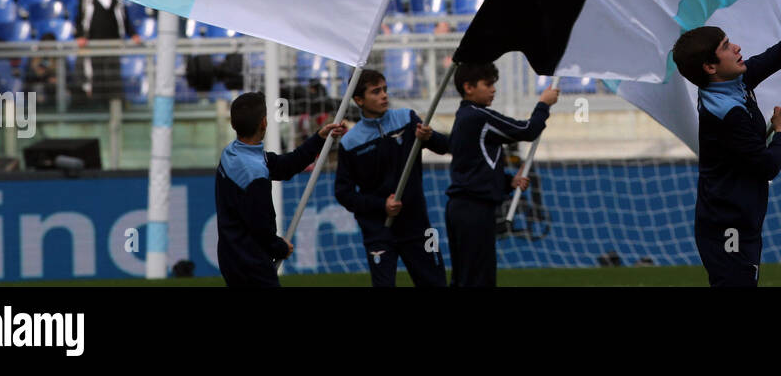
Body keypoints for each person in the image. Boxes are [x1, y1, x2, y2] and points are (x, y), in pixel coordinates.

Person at [671, 25, 781, 287]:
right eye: (726, 46)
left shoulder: (735, 83)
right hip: (727, 224)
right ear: (710, 67)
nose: (736, 47)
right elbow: (768, 166)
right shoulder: (728, 114)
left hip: (740, 217)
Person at [215, 92, 348, 287]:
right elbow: (261, 226)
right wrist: (279, 247)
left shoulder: (232, 153)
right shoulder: (255, 173)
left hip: (231, 256)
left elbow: (285, 166)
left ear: (233, 125)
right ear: (264, 123)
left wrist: (318, 139)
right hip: (250, 263)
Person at [445, 62, 558, 286]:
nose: (493, 89)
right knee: (477, 279)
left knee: (466, 277)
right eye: (487, 84)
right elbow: (527, 130)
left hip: (464, 208)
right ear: (468, 87)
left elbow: (474, 165)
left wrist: (508, 181)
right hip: (473, 210)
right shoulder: (478, 117)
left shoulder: (465, 117)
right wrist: (543, 104)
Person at [335, 69, 450, 287]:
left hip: (417, 225)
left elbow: (445, 147)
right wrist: (381, 205)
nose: (384, 95)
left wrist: (430, 136)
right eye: (376, 92)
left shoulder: (407, 118)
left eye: (385, 90)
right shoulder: (350, 142)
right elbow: (343, 194)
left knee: (436, 283)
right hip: (378, 231)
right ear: (359, 100)